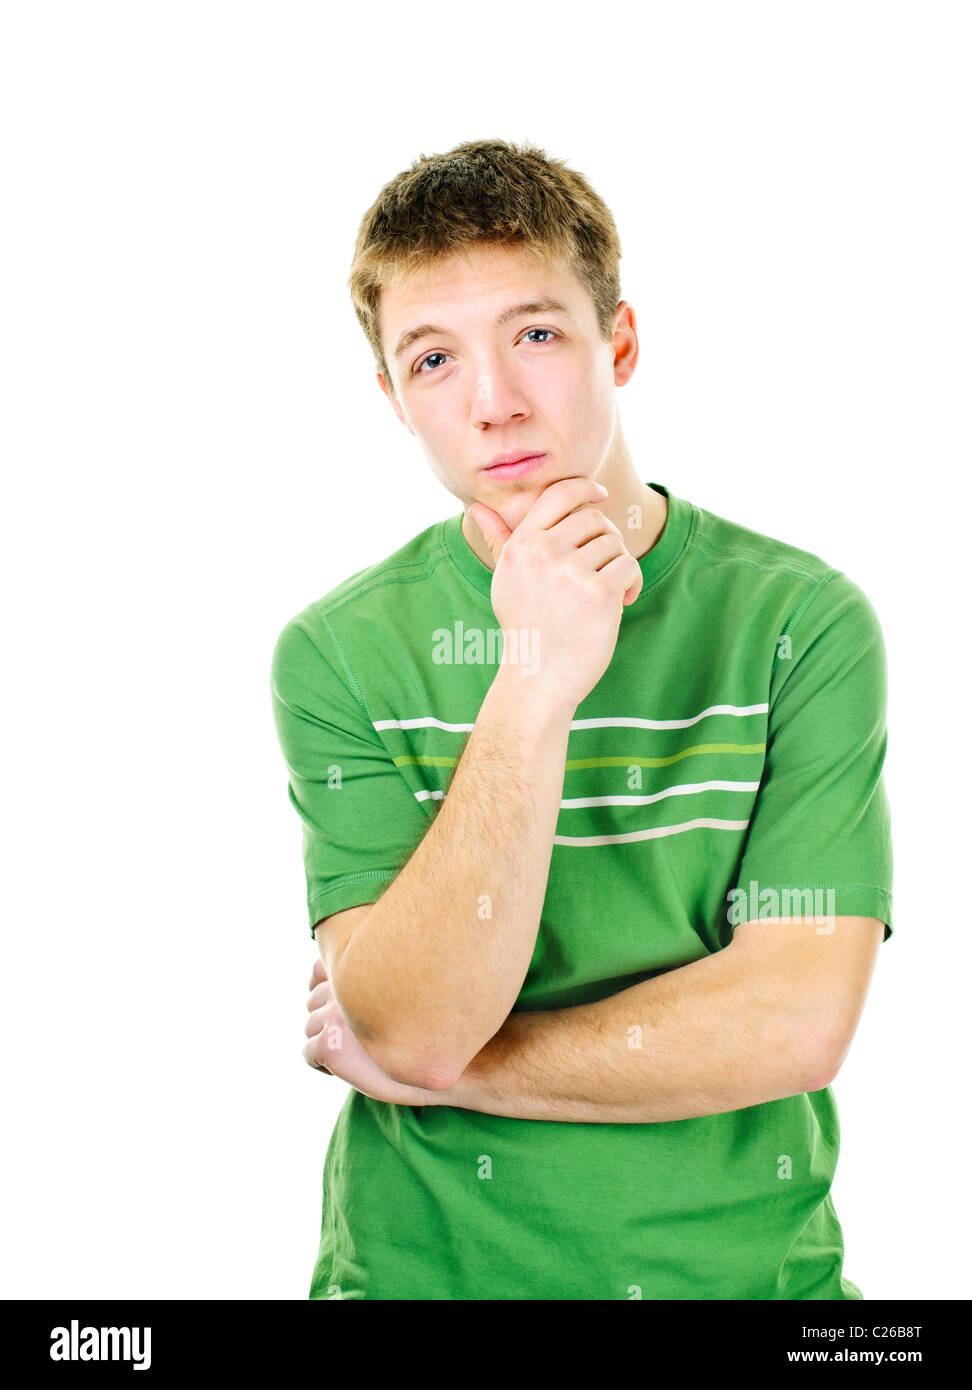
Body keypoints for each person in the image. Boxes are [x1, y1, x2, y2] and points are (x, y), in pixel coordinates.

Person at [269, 138, 893, 1301]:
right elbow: (411, 1022)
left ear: (622, 341)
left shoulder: (800, 622)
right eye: (434, 358)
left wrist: (457, 1072)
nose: (494, 400)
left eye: (537, 334)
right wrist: (534, 686)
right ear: (396, 399)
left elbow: (797, 1017)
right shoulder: (338, 652)